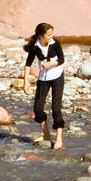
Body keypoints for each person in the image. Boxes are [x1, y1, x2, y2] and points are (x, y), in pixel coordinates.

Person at [23, 22, 65, 150]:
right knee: (38, 109)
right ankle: (46, 135)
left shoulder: (55, 43)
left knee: (56, 109)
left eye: (52, 34)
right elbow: (28, 64)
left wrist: (51, 64)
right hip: (43, 78)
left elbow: (62, 60)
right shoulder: (35, 47)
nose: (51, 37)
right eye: (48, 35)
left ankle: (59, 139)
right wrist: (26, 82)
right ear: (40, 36)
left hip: (57, 76)